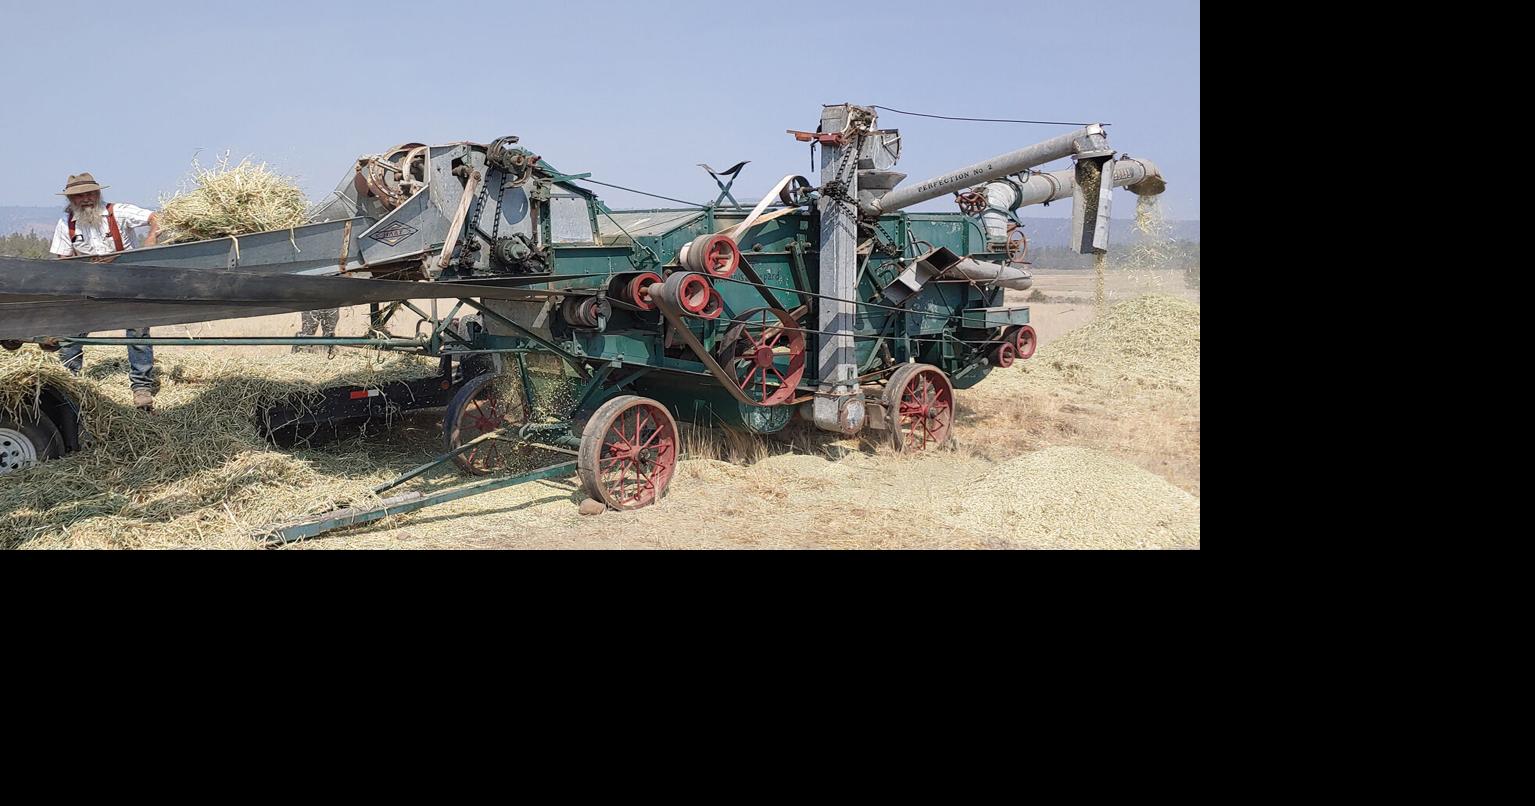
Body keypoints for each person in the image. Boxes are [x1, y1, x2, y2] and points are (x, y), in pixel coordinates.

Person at [48, 172, 161, 410]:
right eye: (79, 196)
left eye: (89, 193)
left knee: (138, 330)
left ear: (98, 193)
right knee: (71, 333)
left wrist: (151, 237)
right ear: (70, 200)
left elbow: (155, 217)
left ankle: (141, 386)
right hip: (89, 285)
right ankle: (69, 382)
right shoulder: (66, 223)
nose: (85, 199)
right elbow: (63, 260)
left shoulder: (118, 212)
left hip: (126, 281)